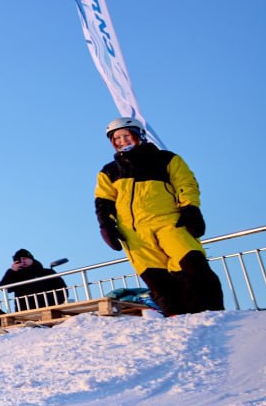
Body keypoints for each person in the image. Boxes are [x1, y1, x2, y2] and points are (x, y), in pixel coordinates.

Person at [94, 117, 224, 315]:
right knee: (157, 279)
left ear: (139, 136)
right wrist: (106, 226)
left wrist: (191, 209)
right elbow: (104, 202)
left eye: (126, 136)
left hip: (169, 222)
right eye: (117, 138)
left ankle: (210, 312)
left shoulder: (166, 159)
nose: (122, 141)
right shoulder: (109, 171)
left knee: (192, 265)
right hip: (134, 234)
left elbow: (186, 184)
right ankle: (175, 316)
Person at [0, 249, 68, 311]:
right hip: (24, 312)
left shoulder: (47, 272)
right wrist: (11, 271)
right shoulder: (16, 276)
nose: (22, 261)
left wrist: (54, 304)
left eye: (24, 258)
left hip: (49, 308)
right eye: (19, 260)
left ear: (31, 258)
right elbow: (4, 288)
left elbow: (63, 290)